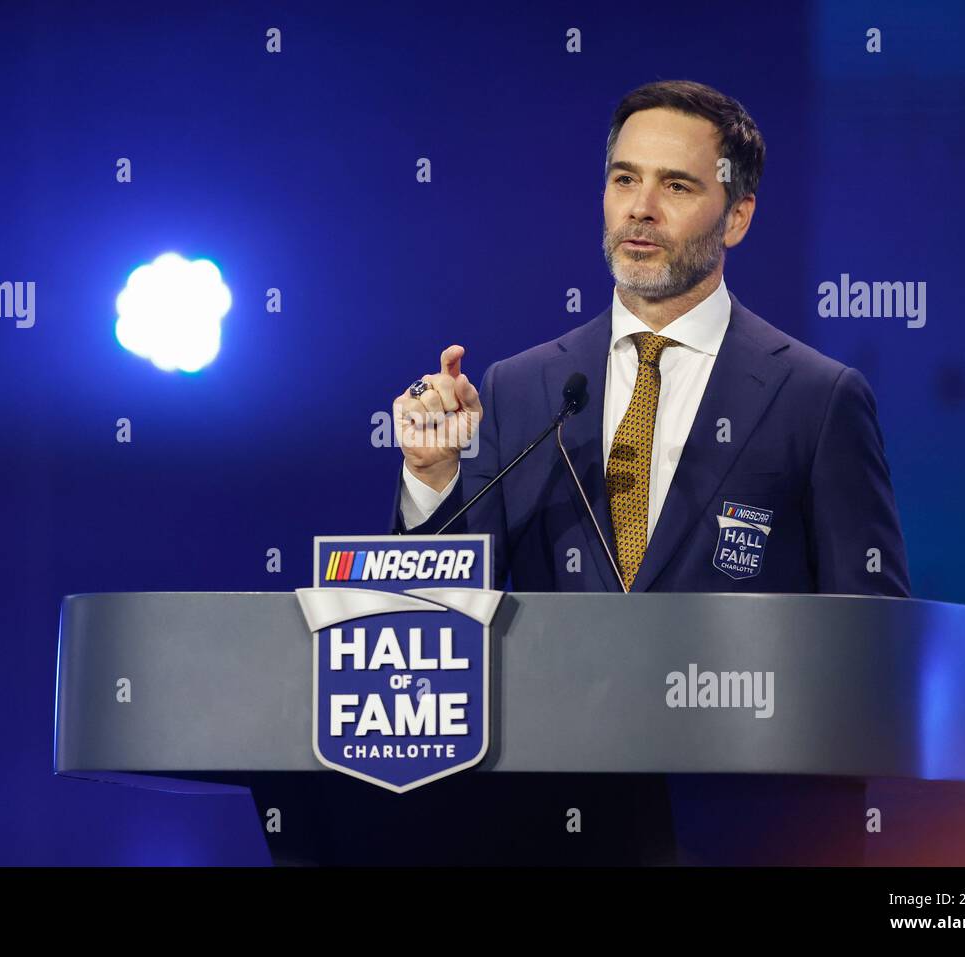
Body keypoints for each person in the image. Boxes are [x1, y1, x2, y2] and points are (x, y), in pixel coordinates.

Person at [382, 79, 911, 865]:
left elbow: (871, 652)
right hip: (541, 830)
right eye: (625, 178)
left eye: (677, 184)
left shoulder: (818, 399)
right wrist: (430, 475)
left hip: (744, 834)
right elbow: (438, 623)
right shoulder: (521, 389)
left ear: (738, 215)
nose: (640, 207)